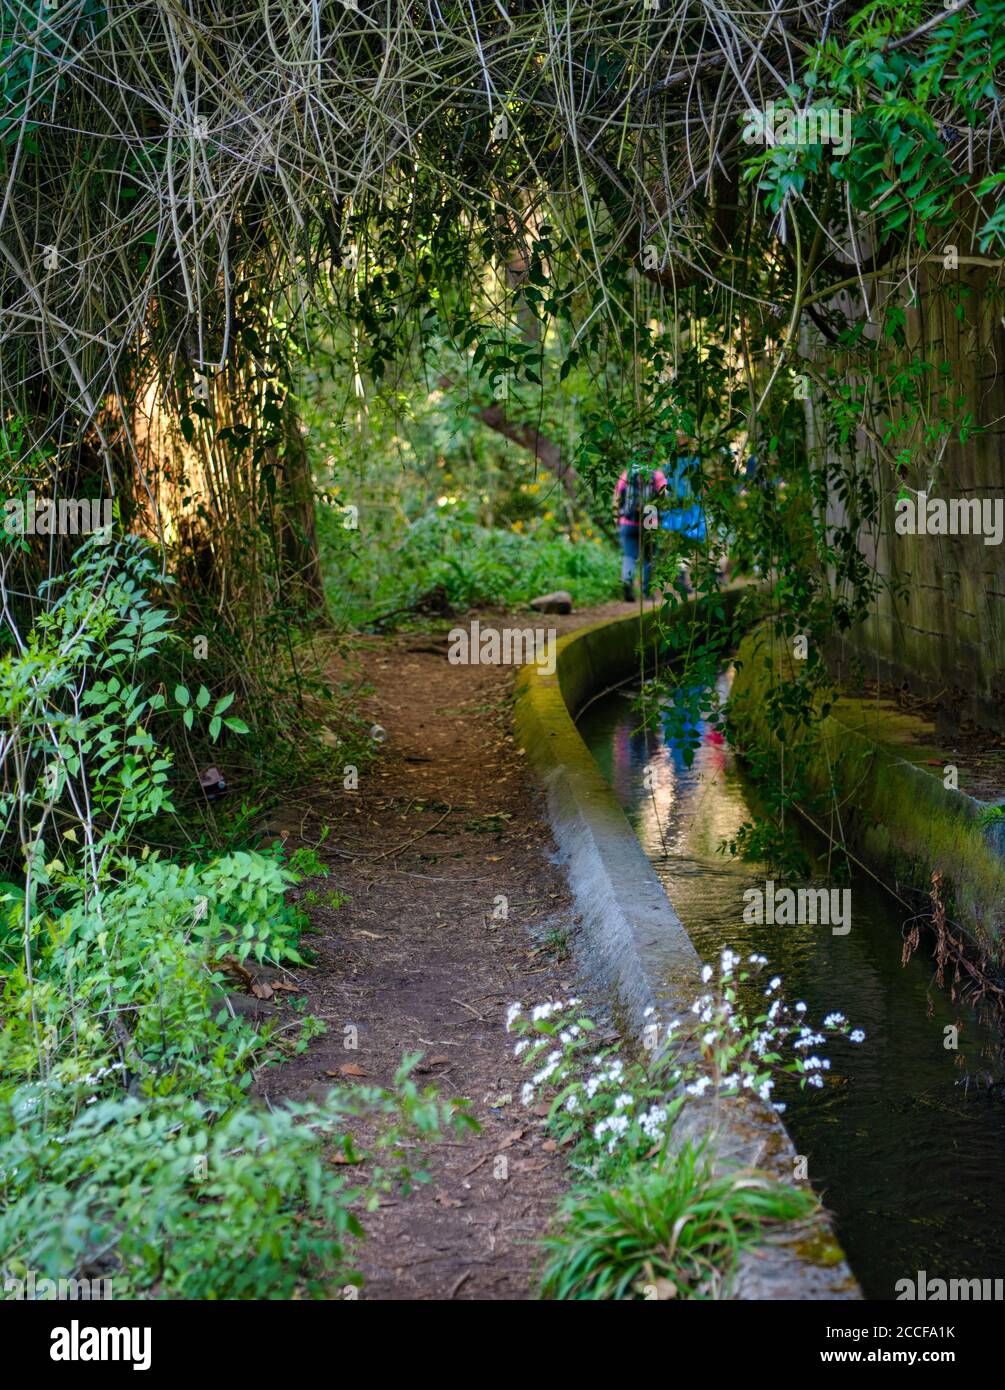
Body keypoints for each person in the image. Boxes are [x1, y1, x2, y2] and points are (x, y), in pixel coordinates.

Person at [613, 451, 667, 602]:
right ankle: (647, 593)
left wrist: (617, 519)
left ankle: (627, 582)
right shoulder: (656, 475)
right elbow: (665, 495)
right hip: (650, 520)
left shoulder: (627, 474)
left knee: (629, 556)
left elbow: (617, 497)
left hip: (628, 520)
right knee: (649, 558)